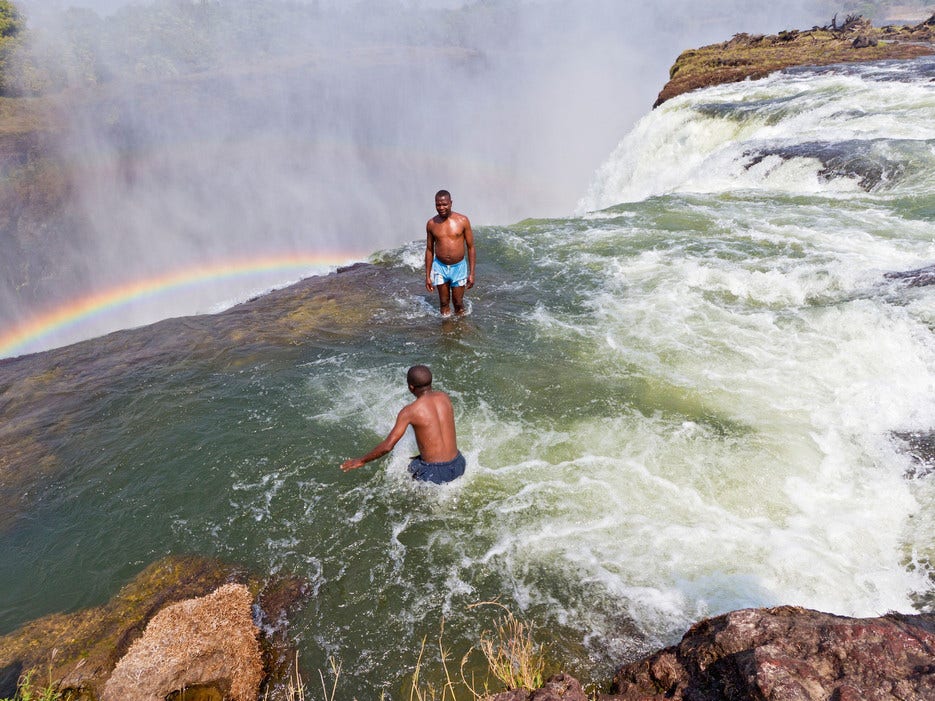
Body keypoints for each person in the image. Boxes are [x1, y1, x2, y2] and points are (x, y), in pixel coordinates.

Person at [340, 365, 466, 484]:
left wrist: (361, 460)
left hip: (434, 473)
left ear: (411, 387)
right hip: (458, 463)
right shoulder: (444, 397)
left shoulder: (410, 411)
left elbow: (387, 446)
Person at [425, 189, 475, 316]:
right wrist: (427, 276)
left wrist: (472, 273)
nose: (441, 207)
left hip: (458, 267)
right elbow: (429, 249)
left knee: (458, 303)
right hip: (440, 267)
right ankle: (446, 332)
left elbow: (471, 247)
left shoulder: (462, 220)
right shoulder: (431, 224)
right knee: (443, 303)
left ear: (451, 203)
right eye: (438, 205)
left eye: (444, 204)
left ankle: (460, 331)